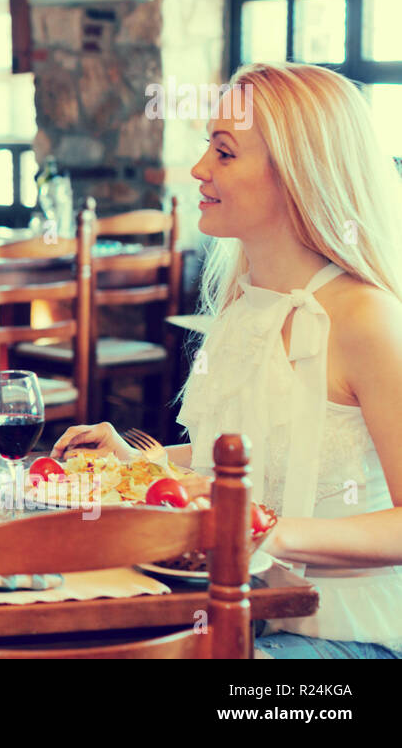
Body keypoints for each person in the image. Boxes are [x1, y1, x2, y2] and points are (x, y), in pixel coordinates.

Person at [52, 61, 402, 658]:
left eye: (225, 153)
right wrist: (139, 462)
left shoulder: (367, 318)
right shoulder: (247, 302)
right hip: (238, 612)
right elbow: (247, 458)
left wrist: (262, 532)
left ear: (297, 173)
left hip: (343, 633)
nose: (198, 170)